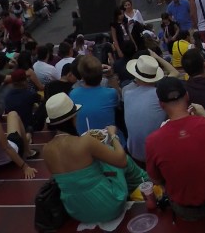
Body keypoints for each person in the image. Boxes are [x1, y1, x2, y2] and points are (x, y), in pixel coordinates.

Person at [42, 93, 149, 227]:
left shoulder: (46, 150)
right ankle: (145, 182)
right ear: (73, 117)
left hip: (75, 210)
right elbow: (121, 160)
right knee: (120, 157)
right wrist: (113, 135)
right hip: (108, 205)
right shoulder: (85, 142)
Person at [145, 77, 205, 220]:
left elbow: (156, 179)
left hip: (185, 210)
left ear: (161, 104)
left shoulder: (152, 141)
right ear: (187, 96)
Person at [122, 54, 177, 165]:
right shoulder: (160, 95)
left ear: (136, 75)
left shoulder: (126, 93)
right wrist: (156, 57)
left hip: (134, 155)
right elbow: (175, 73)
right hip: (155, 156)